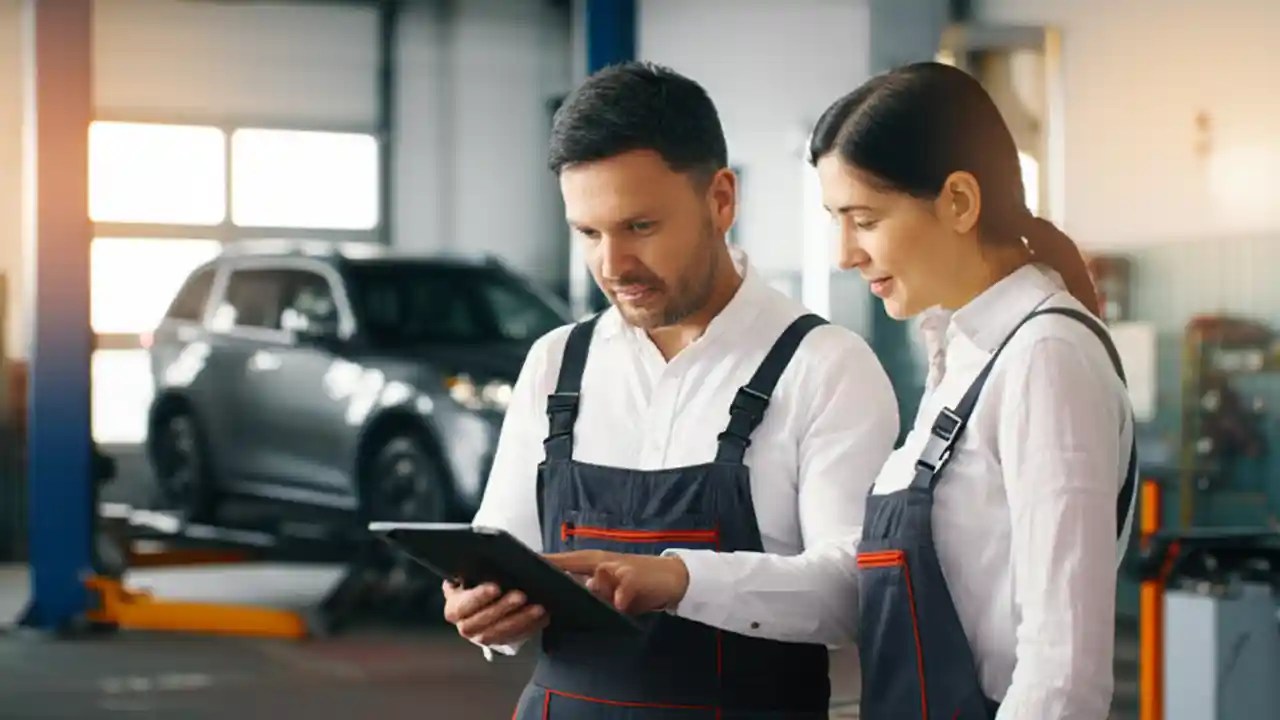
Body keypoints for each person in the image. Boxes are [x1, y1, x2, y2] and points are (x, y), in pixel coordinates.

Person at [441, 61, 899, 718]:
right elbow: (501, 550)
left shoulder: (823, 367)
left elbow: (853, 593)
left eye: (640, 227)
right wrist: (480, 608)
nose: (611, 265)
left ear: (721, 199)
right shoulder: (554, 363)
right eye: (588, 233)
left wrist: (680, 579)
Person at [805, 62, 1137, 719]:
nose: (844, 252)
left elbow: (1061, 675)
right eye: (835, 221)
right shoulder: (965, 352)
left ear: (959, 201)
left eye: (864, 219)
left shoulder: (1045, 357)